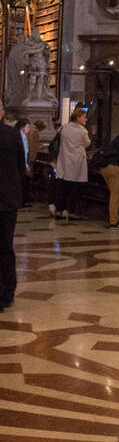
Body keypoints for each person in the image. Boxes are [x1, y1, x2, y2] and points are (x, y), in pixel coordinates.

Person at [0, 101, 25, 312]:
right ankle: (6, 292)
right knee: (5, 246)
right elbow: (20, 165)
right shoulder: (13, 134)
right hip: (7, 199)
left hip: (7, 198)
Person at [54, 107, 91, 221]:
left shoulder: (64, 128)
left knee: (63, 186)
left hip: (64, 160)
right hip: (77, 161)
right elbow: (87, 143)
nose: (86, 119)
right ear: (78, 117)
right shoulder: (82, 131)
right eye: (84, 117)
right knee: (75, 187)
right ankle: (71, 211)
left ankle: (60, 210)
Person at [14, 118, 31, 207]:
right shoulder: (22, 136)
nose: (29, 130)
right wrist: (26, 165)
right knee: (23, 183)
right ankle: (23, 201)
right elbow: (24, 151)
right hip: (22, 164)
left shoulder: (15, 134)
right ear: (22, 128)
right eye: (27, 127)